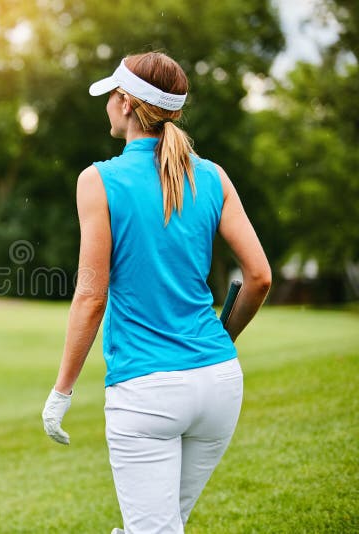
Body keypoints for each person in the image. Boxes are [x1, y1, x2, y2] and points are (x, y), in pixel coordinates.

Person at [41, 51, 272, 534]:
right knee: (160, 525)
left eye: (112, 94)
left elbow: (91, 297)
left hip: (147, 392)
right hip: (219, 383)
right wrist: (223, 338)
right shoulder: (213, 175)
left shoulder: (98, 180)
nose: (107, 103)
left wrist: (61, 391)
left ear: (126, 103)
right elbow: (259, 277)